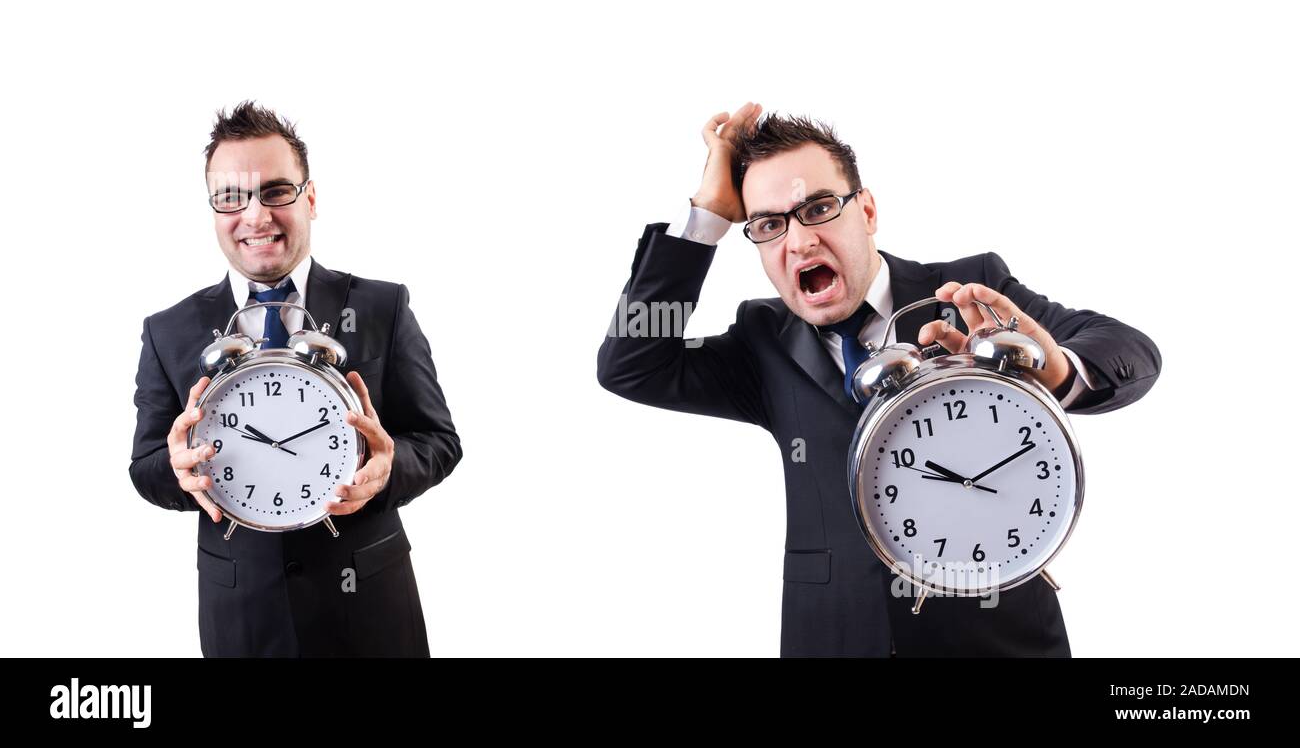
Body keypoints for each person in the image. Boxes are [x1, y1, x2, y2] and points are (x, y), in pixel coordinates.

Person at [597, 103, 1161, 657]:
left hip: (996, 639)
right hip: (834, 636)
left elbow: (1132, 352)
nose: (799, 242)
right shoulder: (760, 339)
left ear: (866, 211)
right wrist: (706, 219)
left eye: (818, 208)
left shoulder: (971, 288)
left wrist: (1052, 369)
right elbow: (631, 361)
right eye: (768, 225)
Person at [130, 101, 461, 657]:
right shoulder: (170, 331)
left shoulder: (382, 307)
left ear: (309, 198)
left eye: (276, 191)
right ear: (214, 209)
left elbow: (439, 442)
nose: (255, 216)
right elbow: (146, 470)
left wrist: (386, 471)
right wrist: (176, 469)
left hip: (371, 612)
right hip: (243, 619)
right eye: (231, 196)